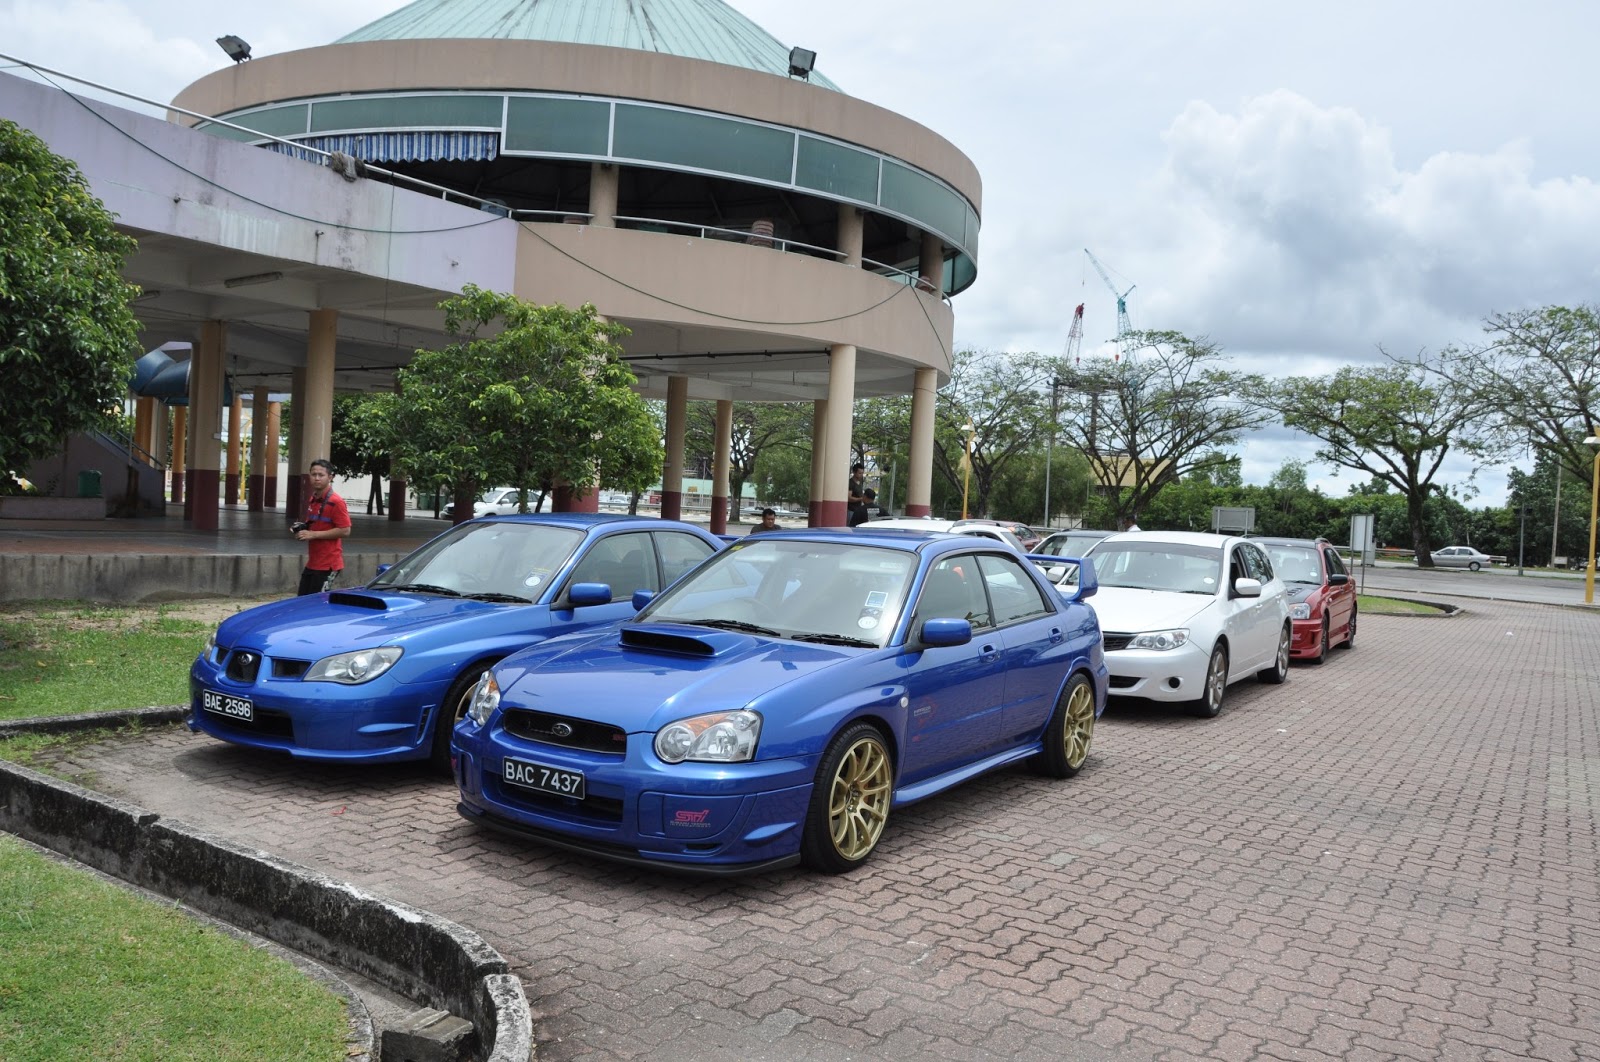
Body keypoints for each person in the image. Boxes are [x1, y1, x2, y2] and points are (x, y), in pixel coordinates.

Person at [295, 458, 351, 595]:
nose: (317, 478)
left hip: (328, 564)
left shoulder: (336, 501)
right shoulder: (313, 499)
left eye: (321, 475)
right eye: (313, 475)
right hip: (313, 562)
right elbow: (315, 523)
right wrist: (302, 529)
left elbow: (345, 530)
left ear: (330, 477)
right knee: (301, 601)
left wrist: (313, 534)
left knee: (316, 604)